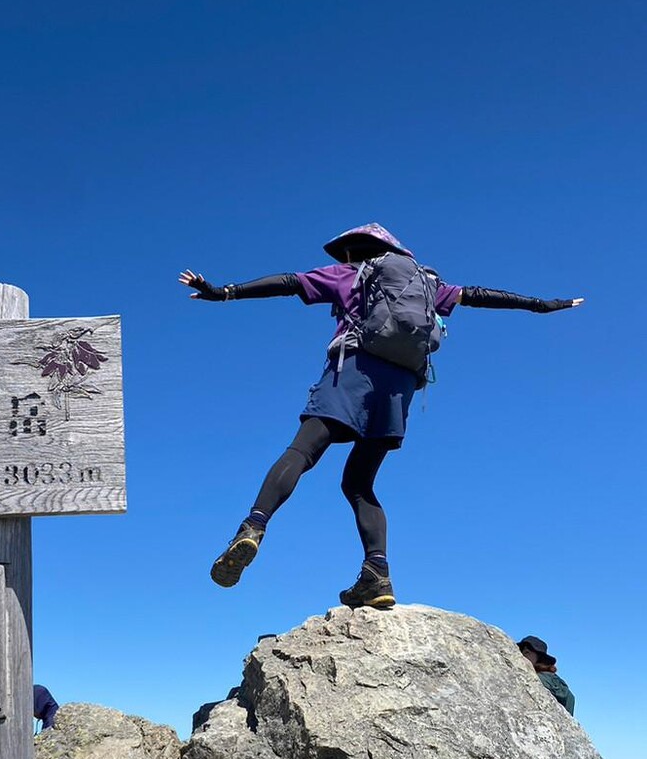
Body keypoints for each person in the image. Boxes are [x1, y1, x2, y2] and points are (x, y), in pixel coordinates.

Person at [180, 223, 583, 608]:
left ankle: (253, 527)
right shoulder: (427, 285)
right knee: (359, 484)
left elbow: (289, 282)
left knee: (302, 451)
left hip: (353, 372)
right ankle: (377, 572)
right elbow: (477, 295)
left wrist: (225, 292)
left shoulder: (352, 273)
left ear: (353, 251)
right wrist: (540, 305)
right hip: (399, 389)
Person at [518, 636, 576, 714]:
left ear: (539, 657)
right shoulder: (559, 683)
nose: (521, 655)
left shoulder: (535, 680)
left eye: (526, 652)